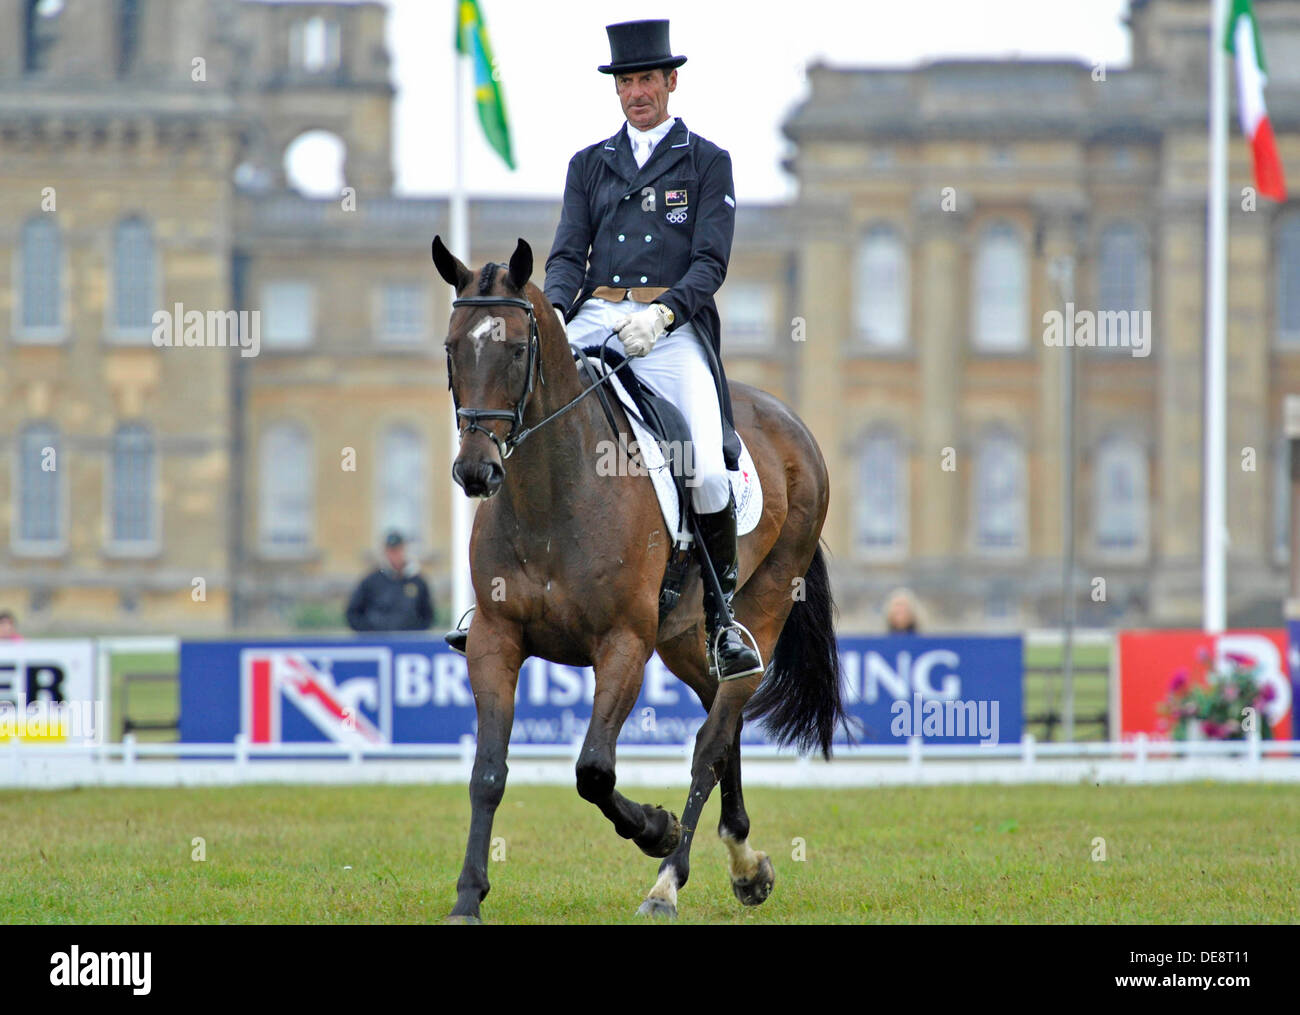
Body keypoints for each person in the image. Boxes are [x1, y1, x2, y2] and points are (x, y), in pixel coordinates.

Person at [541, 18, 760, 681]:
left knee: (707, 468)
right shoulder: (589, 164)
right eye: (627, 82)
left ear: (670, 82)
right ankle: (498, 589)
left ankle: (721, 623)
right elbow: (566, 252)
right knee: (525, 416)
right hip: (596, 315)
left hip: (671, 326)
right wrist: (555, 311)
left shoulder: (705, 161)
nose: (637, 92)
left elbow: (710, 261)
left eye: (646, 80)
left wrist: (664, 313)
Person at [346, 531, 434, 633]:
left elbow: (427, 615)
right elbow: (353, 613)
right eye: (391, 551)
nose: (395, 555)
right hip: (378, 641)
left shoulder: (417, 582)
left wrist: (414, 632)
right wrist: (369, 632)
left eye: (398, 550)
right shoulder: (371, 581)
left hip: (407, 642)